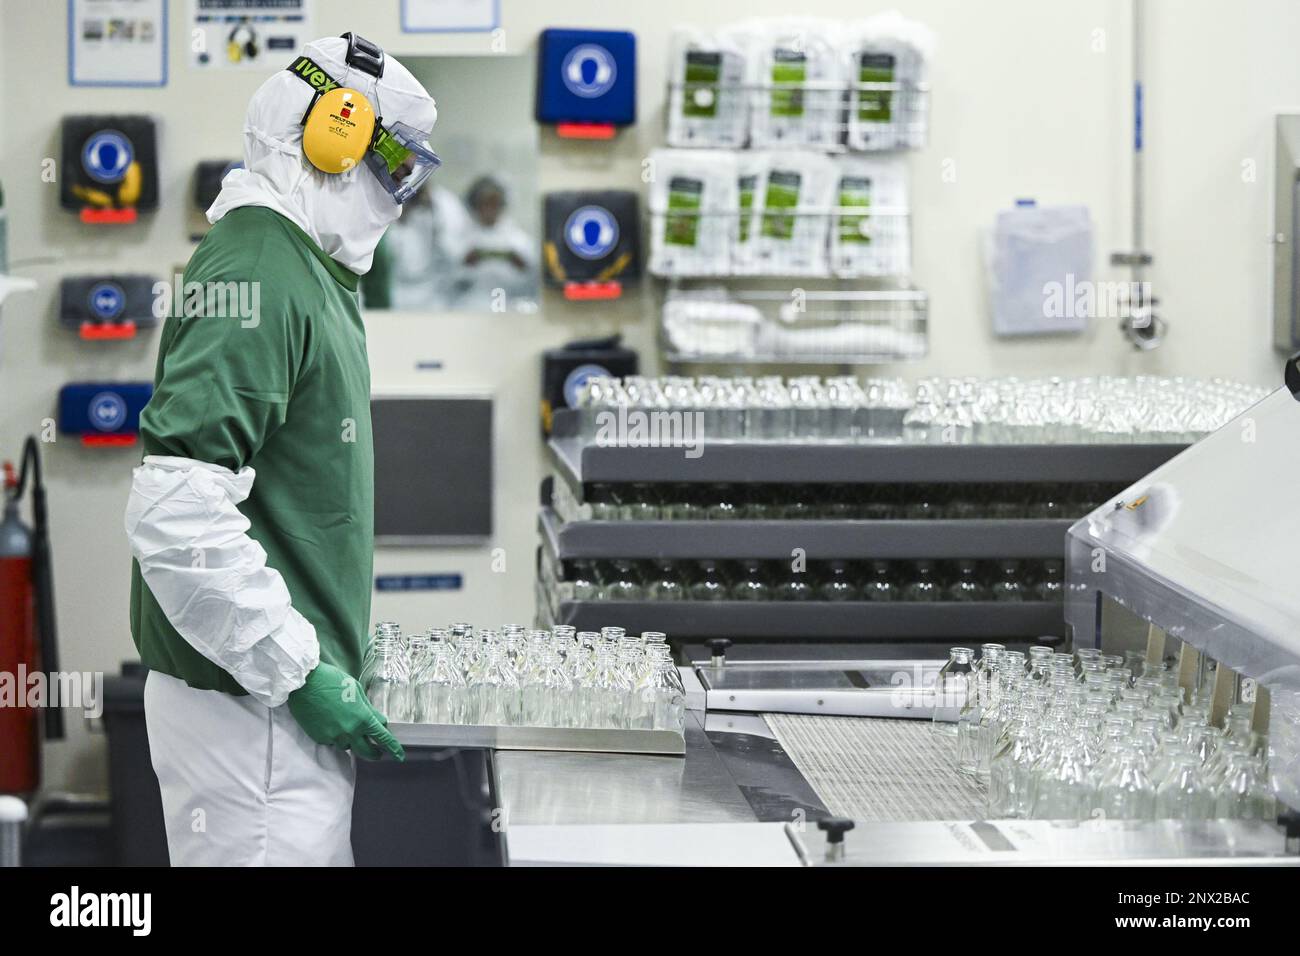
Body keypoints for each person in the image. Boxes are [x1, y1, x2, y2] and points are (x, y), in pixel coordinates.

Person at [123, 34, 439, 866]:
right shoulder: (261, 268)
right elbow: (174, 509)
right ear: (335, 139)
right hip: (251, 711)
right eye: (394, 169)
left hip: (270, 703)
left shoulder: (301, 266)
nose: (398, 198)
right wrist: (296, 672)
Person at [448, 175, 536, 310]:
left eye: (495, 203)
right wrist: (465, 264)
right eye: (485, 203)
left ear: (503, 204)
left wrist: (521, 266)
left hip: (510, 308)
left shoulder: (519, 240)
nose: (490, 208)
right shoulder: (460, 238)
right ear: (475, 205)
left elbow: (533, 284)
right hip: (469, 307)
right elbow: (447, 282)